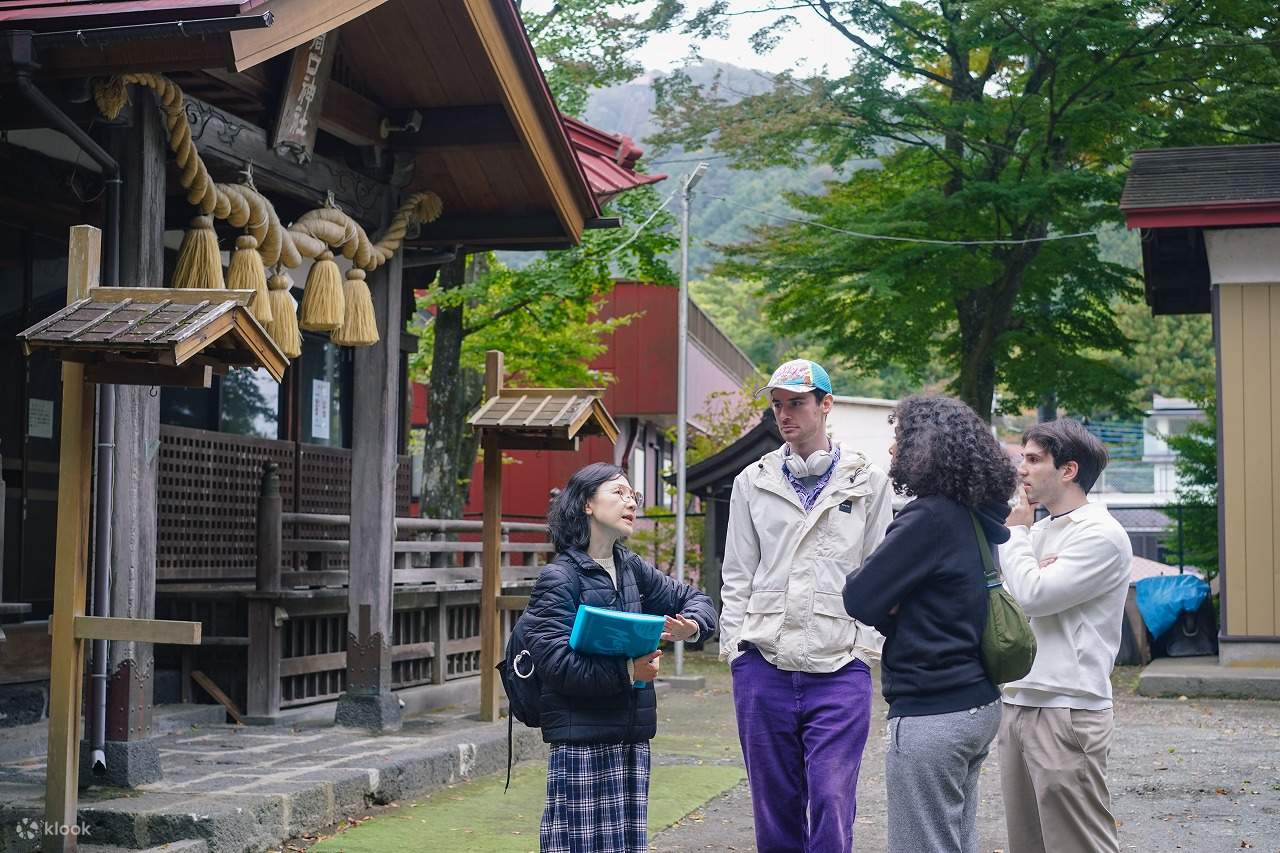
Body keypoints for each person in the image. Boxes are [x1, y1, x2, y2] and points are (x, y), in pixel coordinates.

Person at [719, 358, 893, 853]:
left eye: (796, 403)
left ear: (826, 404)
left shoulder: (867, 481)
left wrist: (864, 650)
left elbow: (880, 571)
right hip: (763, 663)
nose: (785, 414)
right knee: (773, 804)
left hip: (840, 666)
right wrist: (736, 652)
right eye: (778, 405)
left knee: (832, 798)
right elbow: (737, 573)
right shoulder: (752, 480)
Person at [842, 395, 1014, 853]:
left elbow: (859, 596)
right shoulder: (974, 516)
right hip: (976, 703)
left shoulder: (928, 518)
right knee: (953, 842)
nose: (892, 448)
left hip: (932, 710)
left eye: (900, 437)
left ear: (925, 447)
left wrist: (895, 602)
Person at [523, 463, 717, 853]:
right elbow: (555, 665)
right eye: (618, 492)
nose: (631, 502)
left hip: (630, 737)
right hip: (580, 740)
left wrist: (692, 626)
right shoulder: (558, 578)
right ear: (587, 504)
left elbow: (696, 599)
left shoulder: (631, 568)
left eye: (633, 495)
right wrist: (629, 671)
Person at [997, 419, 1133, 853]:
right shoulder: (1037, 532)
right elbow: (1008, 599)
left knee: (1080, 844)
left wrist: (1017, 539)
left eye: (1034, 459)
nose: (1022, 469)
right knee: (1027, 844)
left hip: (1068, 707)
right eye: (1022, 458)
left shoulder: (1101, 534)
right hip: (1017, 700)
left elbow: (1033, 595)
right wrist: (1026, 555)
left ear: (1068, 470)